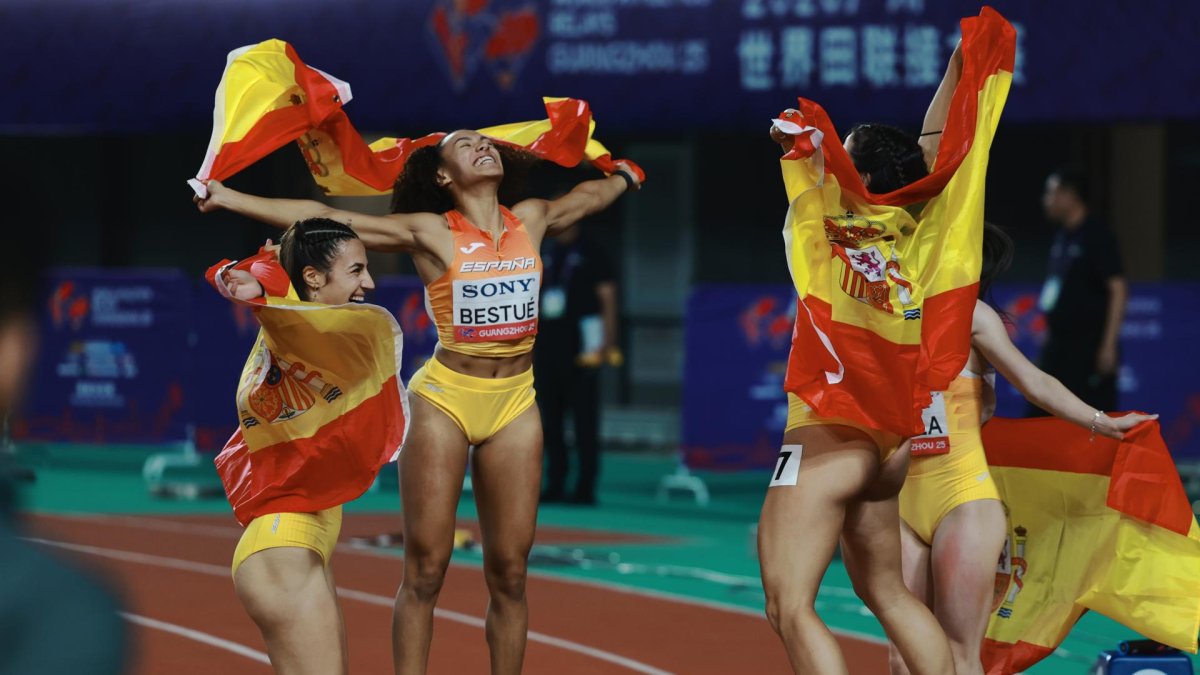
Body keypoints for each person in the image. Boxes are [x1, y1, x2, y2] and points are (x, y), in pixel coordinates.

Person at [195, 133, 641, 675]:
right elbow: (322, 215)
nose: (482, 147)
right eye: (465, 146)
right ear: (442, 177)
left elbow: (587, 199)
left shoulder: (532, 218)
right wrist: (228, 196)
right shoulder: (432, 231)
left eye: (486, 143)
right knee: (427, 569)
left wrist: (624, 175)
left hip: (514, 403)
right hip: (445, 399)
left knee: (511, 574)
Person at [759, 42, 968, 675]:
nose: (836, 161)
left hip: (828, 428)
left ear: (864, 180)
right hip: (892, 446)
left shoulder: (824, 223)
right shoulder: (919, 232)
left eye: (846, 155)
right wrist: (960, 67)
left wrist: (793, 144)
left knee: (789, 605)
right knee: (888, 592)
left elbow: (799, 154)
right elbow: (930, 153)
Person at [889, 223, 1156, 675]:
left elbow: (1034, 383)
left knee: (958, 652)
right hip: (900, 505)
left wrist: (1099, 420)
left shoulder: (972, 316)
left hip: (961, 501)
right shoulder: (883, 316)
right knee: (903, 656)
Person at [212, 218, 385, 675]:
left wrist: (263, 268)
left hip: (301, 543)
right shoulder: (293, 322)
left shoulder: (309, 320)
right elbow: (235, 280)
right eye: (356, 270)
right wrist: (252, 278)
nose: (368, 281)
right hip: (281, 549)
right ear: (313, 277)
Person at [535, 224, 619, 505]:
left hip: (584, 348)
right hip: (548, 346)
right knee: (551, 421)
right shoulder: (545, 251)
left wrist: (608, 341)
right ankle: (555, 482)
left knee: (585, 421)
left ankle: (585, 486)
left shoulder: (592, 252)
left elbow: (607, 297)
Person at [1032, 167, 1127, 414]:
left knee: (1090, 416)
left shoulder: (1097, 234)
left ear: (1069, 196)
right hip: (1059, 346)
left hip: (1088, 348)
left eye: (1051, 193)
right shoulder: (1062, 237)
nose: (1046, 200)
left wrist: (1108, 345)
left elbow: (1117, 288)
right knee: (1043, 412)